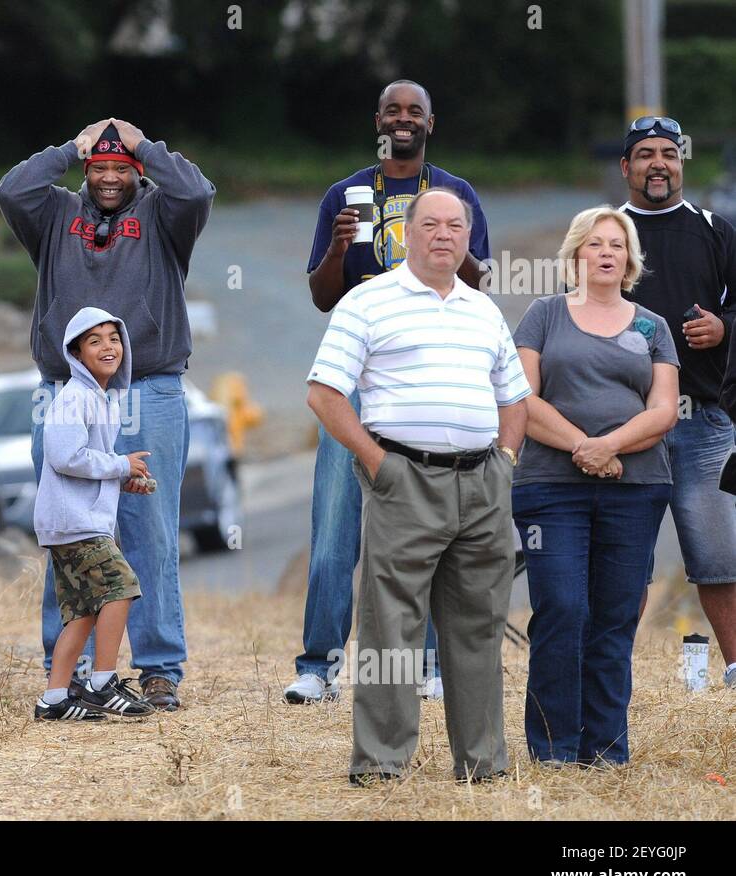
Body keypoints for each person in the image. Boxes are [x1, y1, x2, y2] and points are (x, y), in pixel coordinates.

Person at [306, 188, 530, 784]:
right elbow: (325, 394)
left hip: (482, 482)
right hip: (404, 479)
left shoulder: (484, 310)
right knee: (390, 629)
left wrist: (505, 460)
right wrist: (379, 464)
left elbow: (515, 398)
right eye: (430, 224)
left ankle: (482, 764)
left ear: (468, 237)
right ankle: (381, 765)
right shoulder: (368, 302)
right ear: (408, 232)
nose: (443, 235)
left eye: (456, 226)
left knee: (478, 626)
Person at [0, 117, 216, 711]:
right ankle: (61, 672)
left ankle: (157, 668)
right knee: (68, 526)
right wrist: (69, 146)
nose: (111, 178)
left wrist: (146, 144)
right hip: (64, 390)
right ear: (87, 169)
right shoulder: (54, 214)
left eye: (122, 168)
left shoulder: (163, 216)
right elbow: (11, 191)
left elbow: (196, 191)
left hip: (148, 386)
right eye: (101, 167)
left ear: (137, 172)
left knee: (149, 529)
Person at [288, 79, 492, 705]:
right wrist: (339, 249)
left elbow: (477, 285)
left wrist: (442, 242)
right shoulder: (343, 194)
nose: (404, 121)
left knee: (426, 533)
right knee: (332, 537)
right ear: (377, 119)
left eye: (416, 112)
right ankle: (318, 665)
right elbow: (323, 296)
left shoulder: (454, 195)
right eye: (394, 111)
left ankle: (428, 665)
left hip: (424, 381)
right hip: (354, 380)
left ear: (433, 122)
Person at [512, 207, 678, 766]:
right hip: (550, 487)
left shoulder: (652, 325)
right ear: (576, 254)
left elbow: (663, 411)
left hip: (636, 488)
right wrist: (585, 446)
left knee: (615, 613)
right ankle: (554, 749)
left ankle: (606, 749)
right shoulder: (543, 314)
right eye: (596, 243)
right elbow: (521, 400)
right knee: (561, 607)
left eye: (618, 245)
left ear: (629, 259)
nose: (607, 252)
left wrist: (610, 448)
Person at [620, 117, 736, 689]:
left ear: (682, 162)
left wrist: (724, 327)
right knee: (624, 560)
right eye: (645, 155)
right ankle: (609, 670)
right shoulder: (607, 233)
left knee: (720, 555)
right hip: (627, 425)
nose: (658, 163)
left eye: (669, 152)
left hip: (704, 422)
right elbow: (573, 314)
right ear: (627, 168)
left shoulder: (716, 229)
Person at [34, 307, 157, 721]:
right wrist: (120, 465)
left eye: (114, 337)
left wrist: (123, 477)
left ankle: (53, 700)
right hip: (76, 522)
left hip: (73, 521)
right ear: (76, 353)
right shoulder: (75, 397)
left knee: (84, 610)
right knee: (121, 588)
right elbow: (64, 456)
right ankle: (103, 682)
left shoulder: (101, 399)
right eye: (95, 340)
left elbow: (87, 463)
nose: (108, 347)